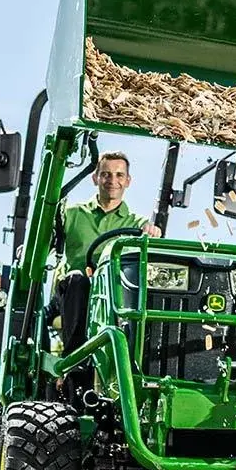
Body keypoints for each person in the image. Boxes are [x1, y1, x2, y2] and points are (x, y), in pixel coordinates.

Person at [53, 151, 161, 357]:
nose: (113, 180)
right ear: (95, 178)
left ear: (128, 181)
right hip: (74, 292)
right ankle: (75, 360)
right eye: (106, 174)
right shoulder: (72, 214)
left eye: (119, 175)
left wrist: (152, 233)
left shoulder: (137, 224)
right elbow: (46, 243)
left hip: (115, 294)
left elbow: (151, 242)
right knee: (77, 280)